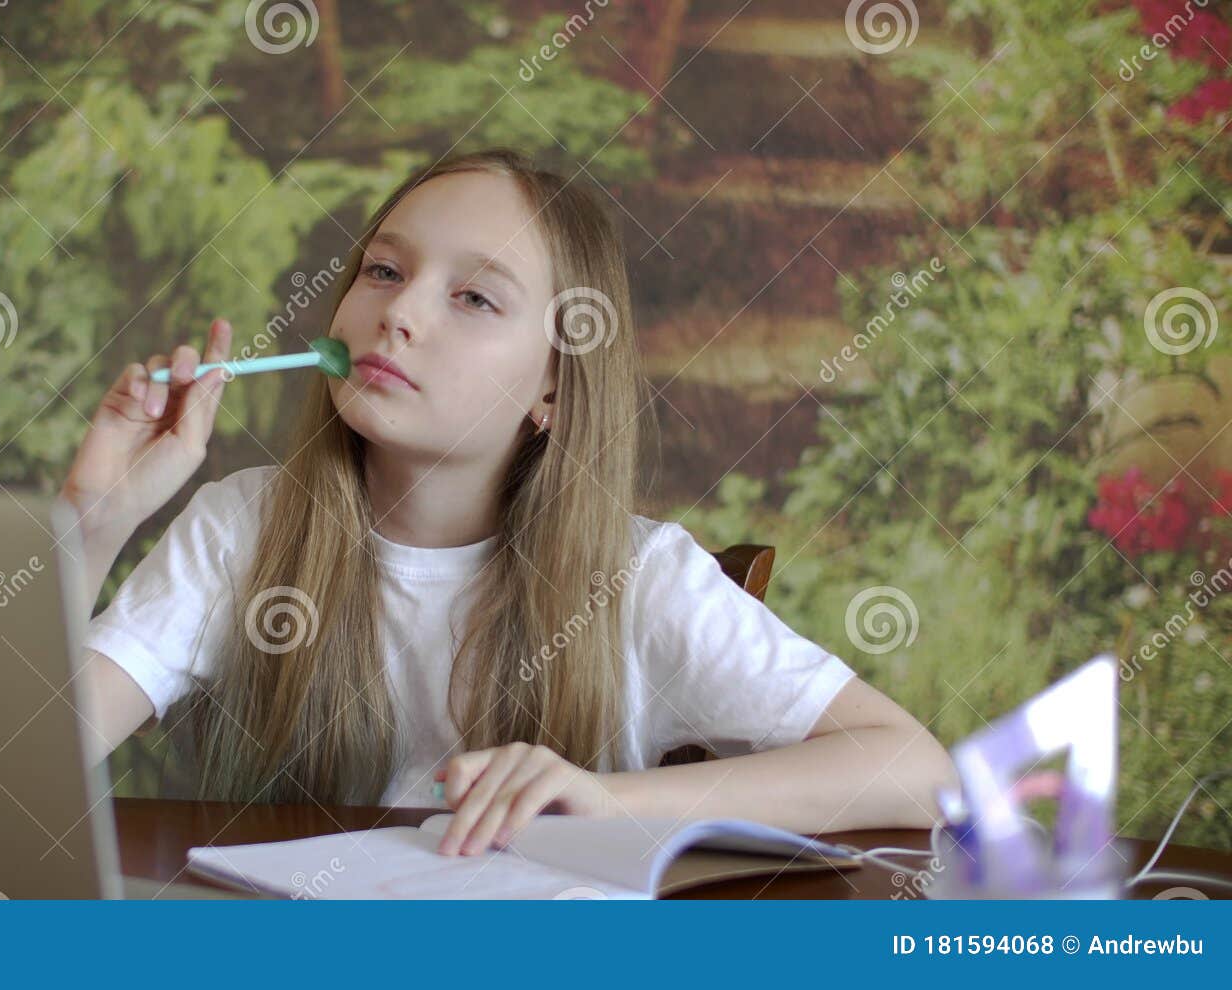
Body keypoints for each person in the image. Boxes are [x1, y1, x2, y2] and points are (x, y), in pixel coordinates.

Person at [57, 148, 958, 858]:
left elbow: (920, 771)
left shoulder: (638, 579)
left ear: (555, 388)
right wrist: (91, 526)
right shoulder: (240, 530)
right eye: (381, 270)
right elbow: (15, 768)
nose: (399, 311)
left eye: (475, 296)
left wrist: (613, 801)